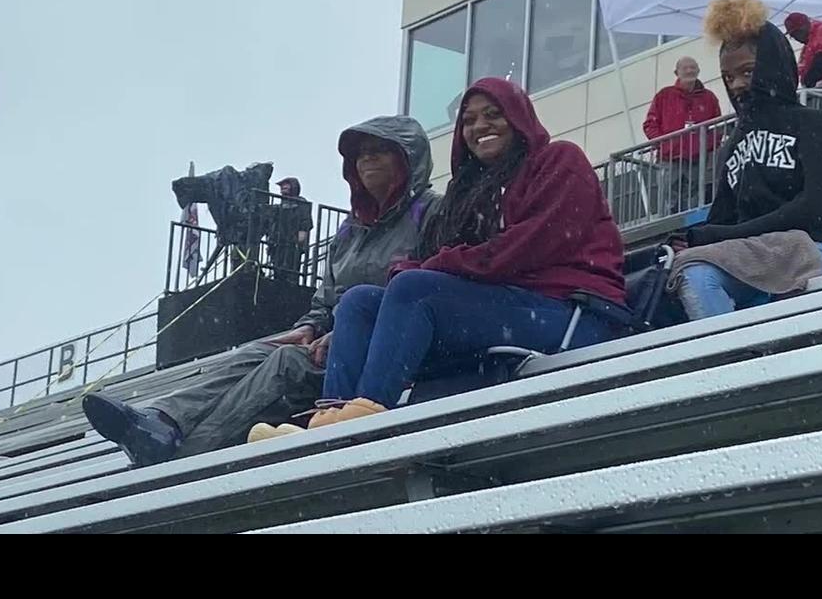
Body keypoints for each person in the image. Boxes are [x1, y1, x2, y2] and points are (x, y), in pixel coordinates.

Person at [249, 78, 627, 435]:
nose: (480, 126)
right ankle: (330, 415)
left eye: (493, 114)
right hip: (502, 309)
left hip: (569, 311)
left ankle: (367, 414)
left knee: (417, 288)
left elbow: (529, 246)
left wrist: (433, 267)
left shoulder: (559, 160)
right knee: (359, 301)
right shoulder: (468, 192)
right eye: (469, 120)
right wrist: (418, 267)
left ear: (519, 117)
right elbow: (431, 255)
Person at [80, 116, 440, 466]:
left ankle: (181, 457)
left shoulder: (430, 212)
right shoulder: (349, 230)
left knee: (284, 363)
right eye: (361, 153)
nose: (367, 159)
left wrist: (341, 331)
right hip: (328, 345)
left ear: (408, 158)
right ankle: (163, 421)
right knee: (256, 351)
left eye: (380, 150)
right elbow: (324, 299)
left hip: (380, 352)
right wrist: (309, 328)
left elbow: (419, 291)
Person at [671, 0, 822, 322]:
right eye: (728, 77)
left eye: (748, 72)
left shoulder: (818, 125)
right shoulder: (732, 146)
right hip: (752, 256)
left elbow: (815, 208)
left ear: (772, 64)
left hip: (814, 249)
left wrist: (722, 237)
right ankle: (732, 361)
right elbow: (722, 218)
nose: (737, 85)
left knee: (697, 266)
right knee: (690, 273)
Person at [643, 57, 724, 215]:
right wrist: (665, 145)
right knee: (669, 200)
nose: (689, 71)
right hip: (670, 159)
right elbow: (650, 124)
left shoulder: (709, 98)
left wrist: (706, 146)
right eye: (685, 68)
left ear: (698, 71)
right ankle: (668, 233)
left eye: (693, 67)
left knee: (694, 200)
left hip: (697, 159)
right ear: (677, 72)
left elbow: (718, 126)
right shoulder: (664, 95)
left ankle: (690, 233)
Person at [265, 177, 313, 285]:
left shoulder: (301, 203)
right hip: (277, 244)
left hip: (292, 243)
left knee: (291, 271)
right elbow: (271, 223)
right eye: (282, 186)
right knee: (277, 270)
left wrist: (302, 234)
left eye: (286, 185)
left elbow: (305, 221)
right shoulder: (279, 207)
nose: (283, 188)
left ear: (293, 187)